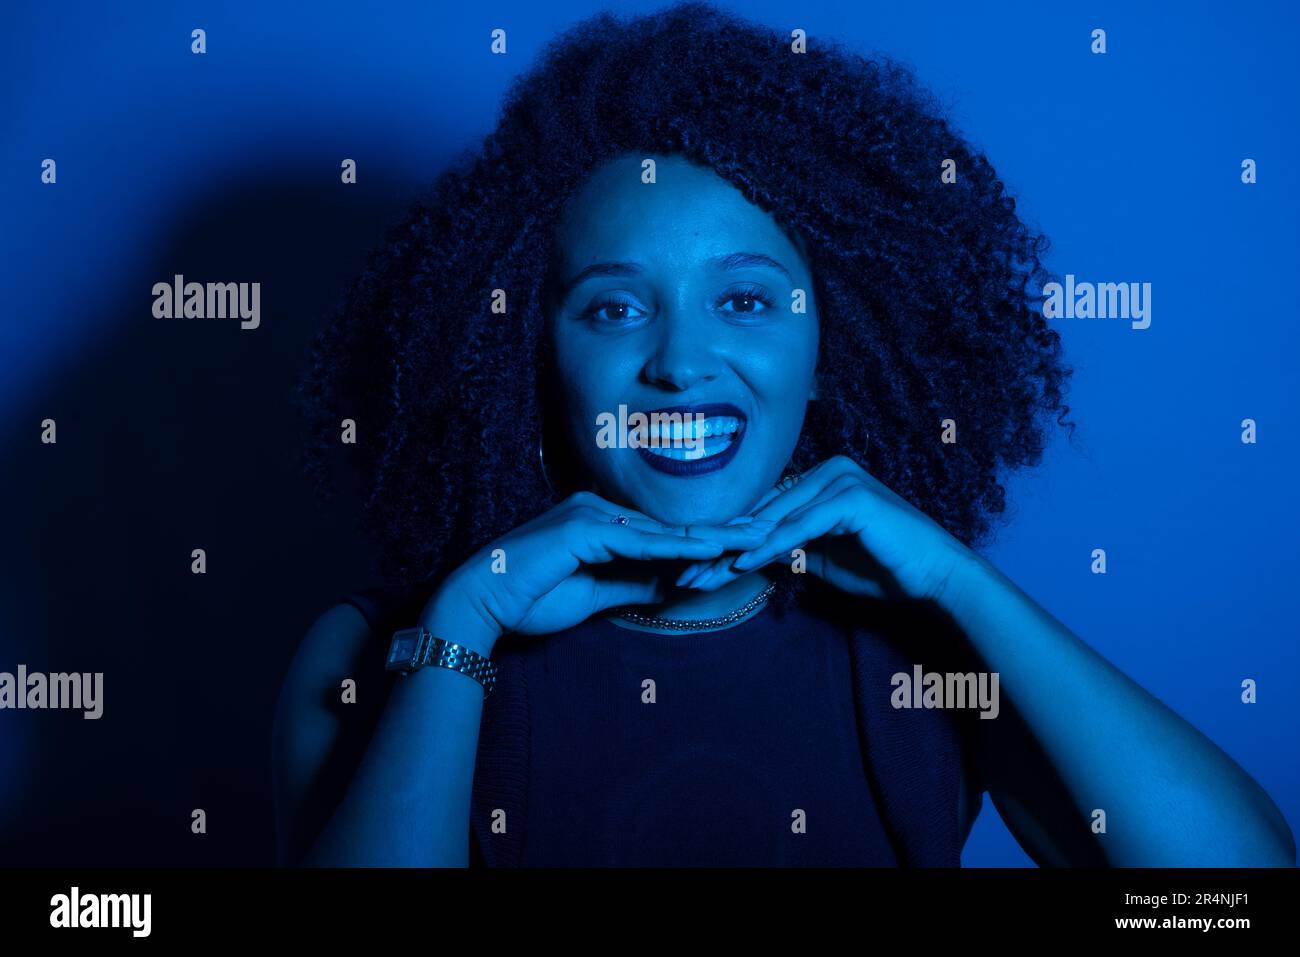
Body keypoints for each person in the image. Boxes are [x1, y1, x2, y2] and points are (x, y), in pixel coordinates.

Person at [272, 2, 1296, 867]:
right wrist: (467, 619)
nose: (680, 362)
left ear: (829, 355)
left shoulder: (927, 652)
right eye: (614, 309)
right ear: (528, 360)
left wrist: (956, 583)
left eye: (748, 303)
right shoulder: (381, 649)